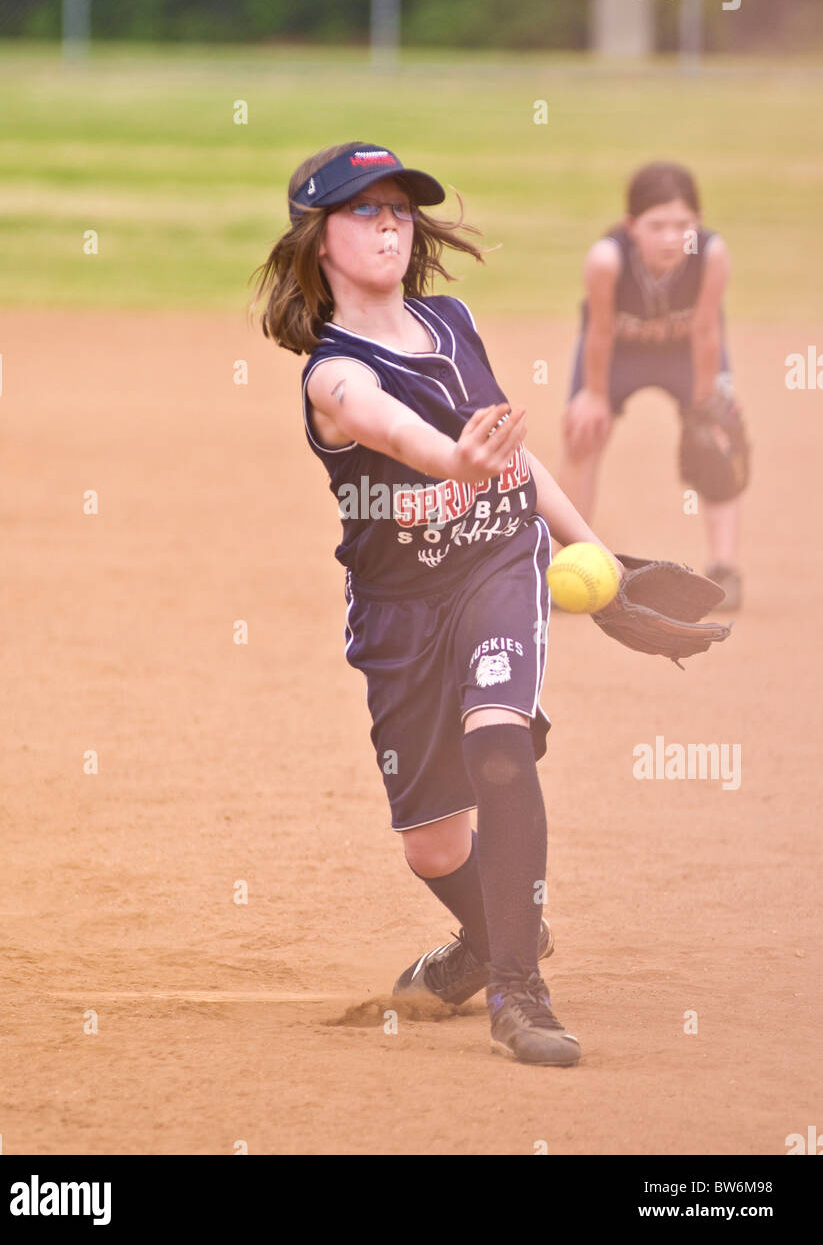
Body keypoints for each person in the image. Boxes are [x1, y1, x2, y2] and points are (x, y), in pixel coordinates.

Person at [250, 140, 627, 1067]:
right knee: (430, 847)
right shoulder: (329, 373)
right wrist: (452, 458)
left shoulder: (452, 320)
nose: (388, 224)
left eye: (399, 209)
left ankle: (518, 992)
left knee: (497, 742)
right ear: (318, 240)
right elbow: (392, 426)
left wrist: (588, 545)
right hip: (397, 609)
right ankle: (499, 933)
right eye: (363, 210)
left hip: (494, 561)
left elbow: (512, 457)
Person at [558, 161, 744, 610]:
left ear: (697, 225)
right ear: (632, 226)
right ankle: (571, 560)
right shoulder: (607, 259)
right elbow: (599, 332)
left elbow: (705, 331)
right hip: (619, 354)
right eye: (656, 225)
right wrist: (595, 396)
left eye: (682, 225)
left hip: (686, 353)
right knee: (585, 433)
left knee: (716, 442)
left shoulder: (712, 255)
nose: (670, 237)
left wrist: (705, 410)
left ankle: (724, 568)